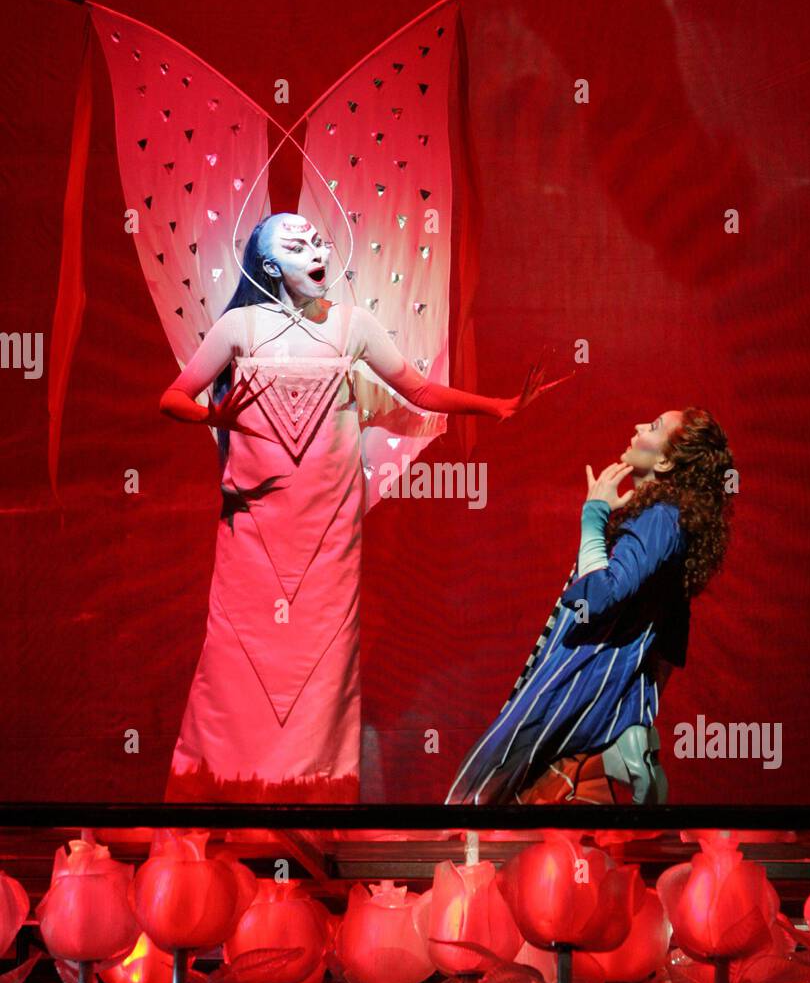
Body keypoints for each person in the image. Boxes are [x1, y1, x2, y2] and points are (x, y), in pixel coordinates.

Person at [160, 211, 547, 802]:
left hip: (329, 534)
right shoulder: (238, 327)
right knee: (238, 667)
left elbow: (417, 391)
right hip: (255, 534)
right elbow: (173, 398)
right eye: (296, 245)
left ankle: (310, 805)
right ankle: (226, 802)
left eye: (317, 238)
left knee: (321, 678)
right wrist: (213, 416)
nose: (315, 248)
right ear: (270, 268)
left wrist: (494, 406)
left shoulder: (353, 325)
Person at [446, 407, 734, 805]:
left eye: (652, 427)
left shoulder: (661, 519)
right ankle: (622, 745)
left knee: (478, 795)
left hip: (578, 683)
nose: (636, 425)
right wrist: (637, 708)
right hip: (595, 689)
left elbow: (599, 597)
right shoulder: (669, 522)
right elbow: (670, 643)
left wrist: (593, 516)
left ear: (666, 461)